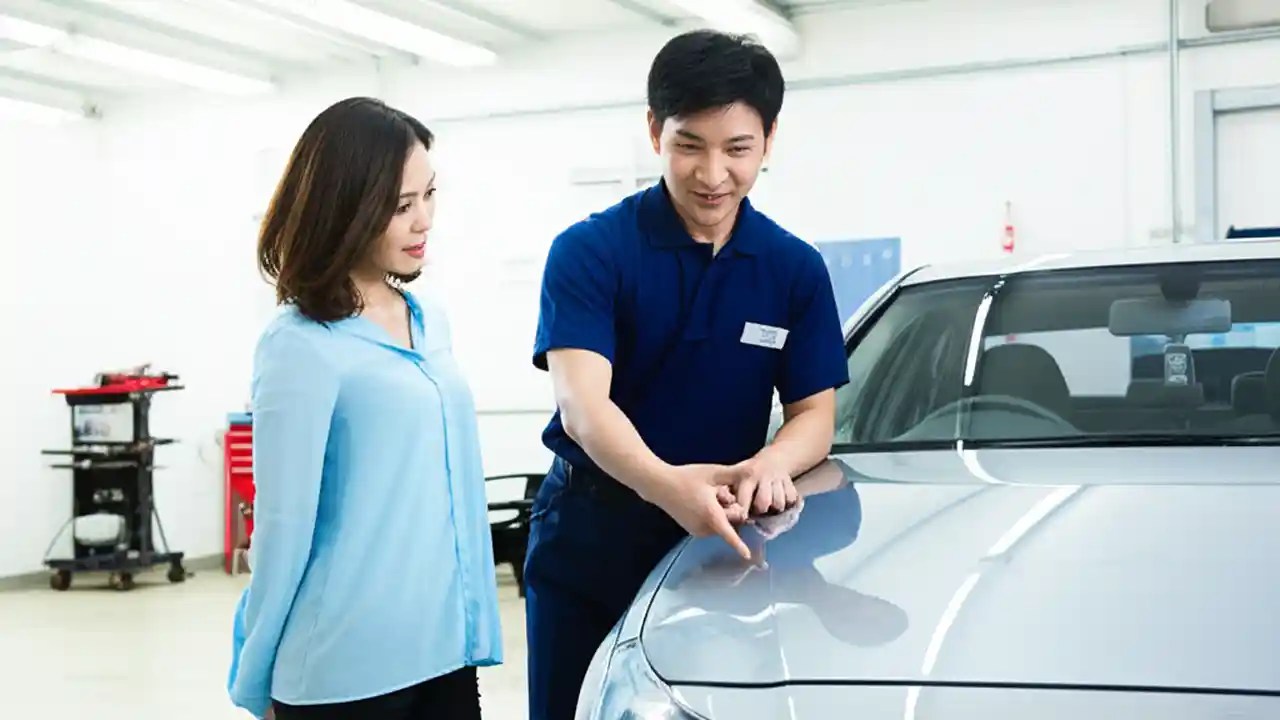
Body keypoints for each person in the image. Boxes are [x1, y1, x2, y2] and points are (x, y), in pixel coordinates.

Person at [523, 29, 849, 719]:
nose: (711, 175)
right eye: (688, 145)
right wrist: (668, 487)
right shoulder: (590, 252)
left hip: (725, 539)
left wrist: (772, 465)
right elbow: (584, 407)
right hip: (591, 534)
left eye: (737, 149)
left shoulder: (792, 269)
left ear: (768, 140)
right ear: (653, 132)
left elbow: (814, 415)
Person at [225, 97, 502, 720]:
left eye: (430, 196)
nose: (423, 220)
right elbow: (282, 524)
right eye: (401, 207)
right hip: (344, 668)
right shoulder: (299, 343)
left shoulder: (430, 322)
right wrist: (257, 671)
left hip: (445, 650)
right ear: (344, 208)